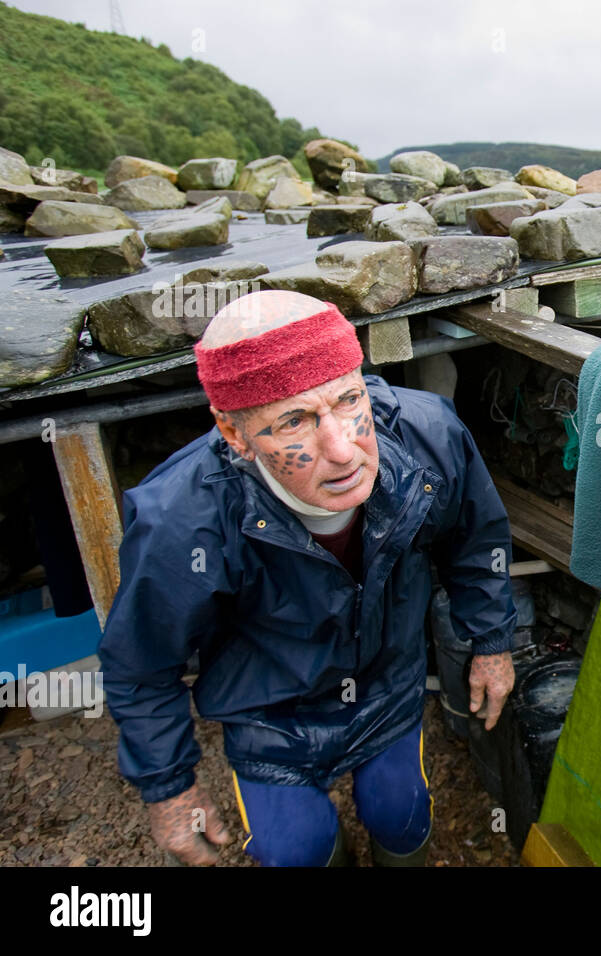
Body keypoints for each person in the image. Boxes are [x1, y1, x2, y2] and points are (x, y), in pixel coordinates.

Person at [97, 289, 518, 866]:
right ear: (235, 434)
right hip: (272, 710)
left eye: (349, 400)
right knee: (298, 849)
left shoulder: (429, 439)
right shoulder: (182, 521)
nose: (342, 450)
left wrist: (492, 641)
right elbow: (141, 663)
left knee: (400, 814)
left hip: (386, 680)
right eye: (294, 421)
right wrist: (169, 787)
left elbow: (477, 538)